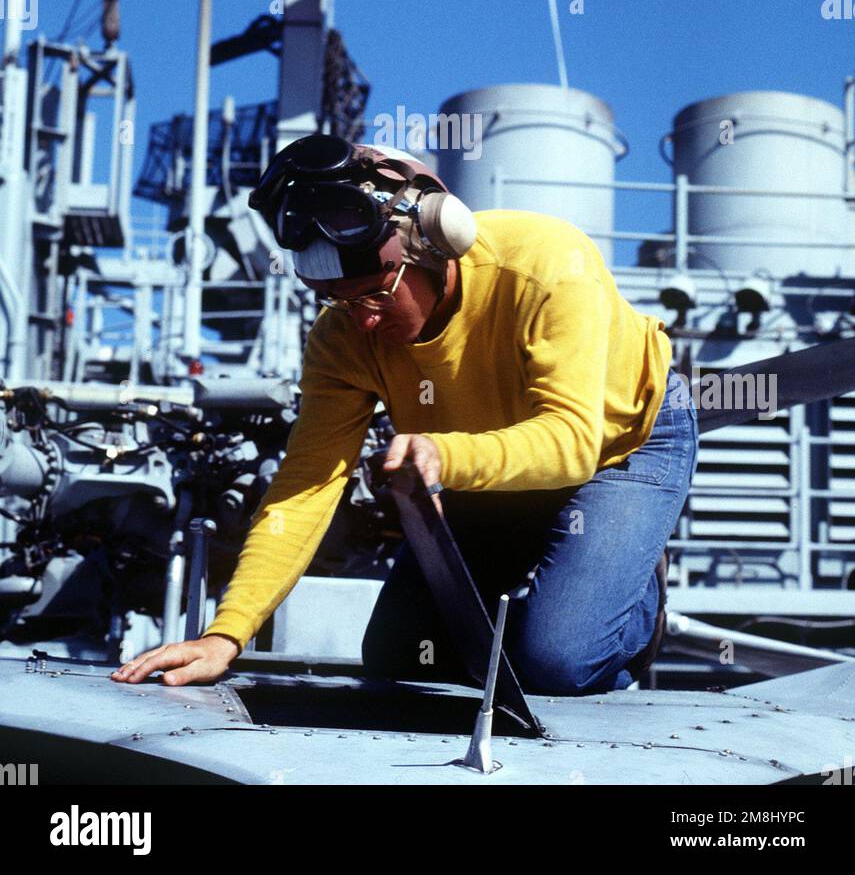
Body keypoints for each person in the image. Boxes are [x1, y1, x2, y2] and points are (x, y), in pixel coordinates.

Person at [111, 132, 698, 694]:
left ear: (436, 244)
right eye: (338, 302)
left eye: (375, 294)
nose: (362, 320)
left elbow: (571, 442)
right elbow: (306, 486)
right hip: (485, 452)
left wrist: (443, 455)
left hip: (622, 443)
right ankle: (571, 590)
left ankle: (629, 593)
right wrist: (226, 633)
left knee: (558, 661)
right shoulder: (343, 337)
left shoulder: (547, 264)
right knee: (403, 651)